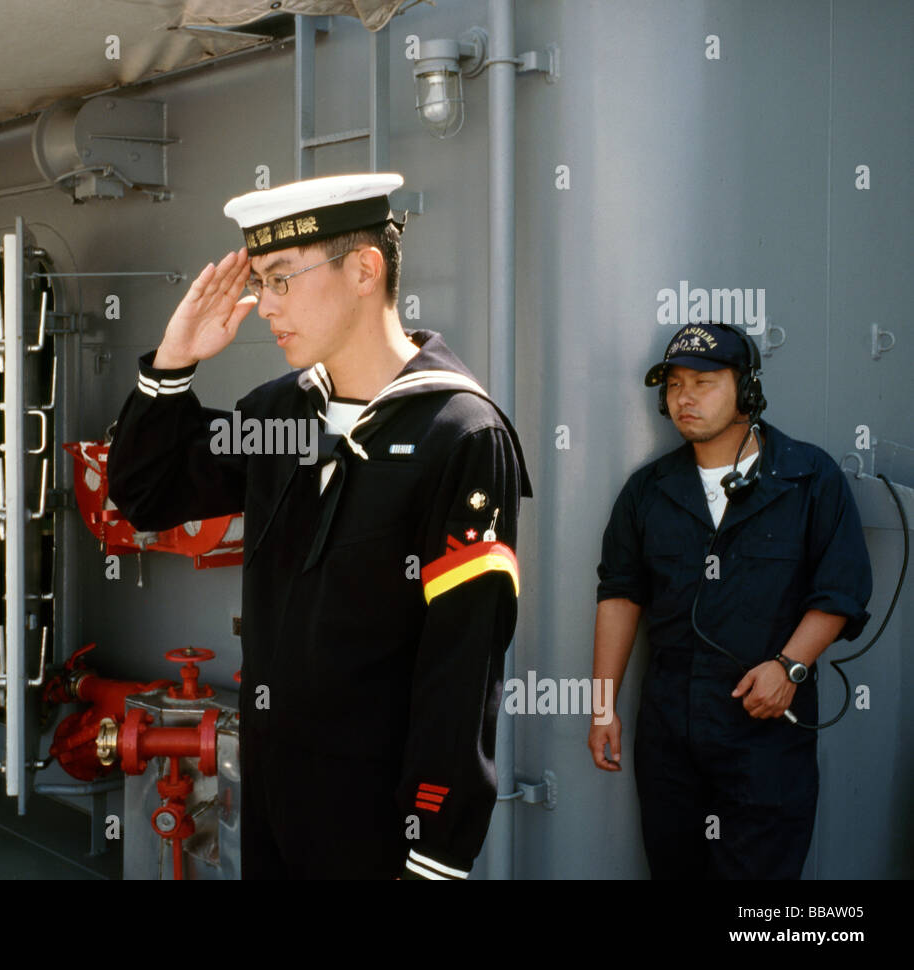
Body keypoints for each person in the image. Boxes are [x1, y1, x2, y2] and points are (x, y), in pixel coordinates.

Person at [107, 173, 532, 879]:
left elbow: (460, 671)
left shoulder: (457, 434)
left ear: (364, 269)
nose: (264, 307)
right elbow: (148, 492)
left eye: (281, 280)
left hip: (378, 818)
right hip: (271, 793)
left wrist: (432, 851)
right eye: (260, 284)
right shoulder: (285, 419)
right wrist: (174, 362)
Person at [589, 321, 872, 878]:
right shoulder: (648, 491)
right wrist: (603, 707)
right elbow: (620, 596)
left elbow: (840, 590)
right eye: (672, 385)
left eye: (704, 382)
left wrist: (790, 666)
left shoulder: (808, 477)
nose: (683, 398)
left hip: (765, 736)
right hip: (670, 738)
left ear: (748, 391)